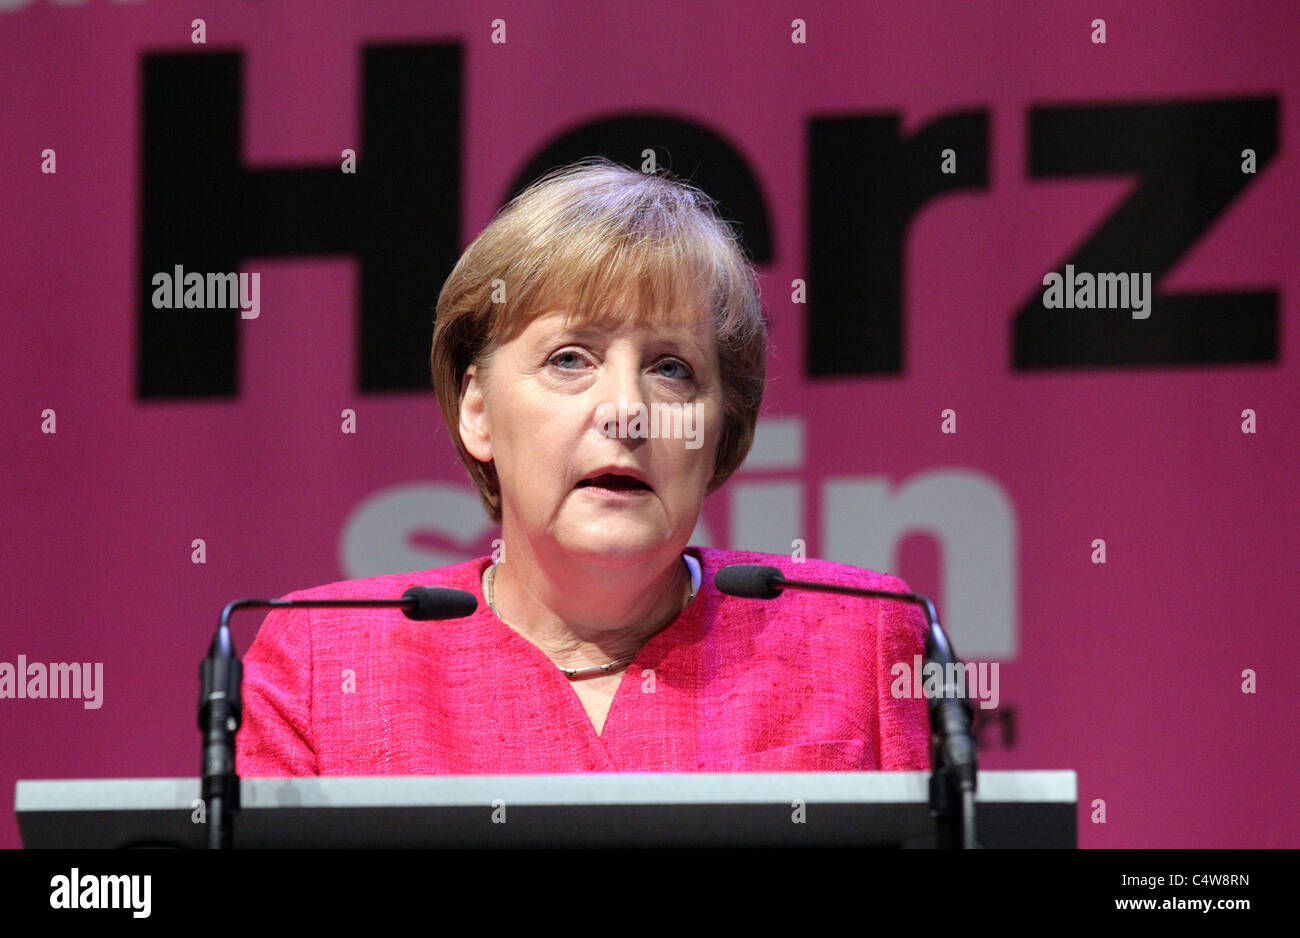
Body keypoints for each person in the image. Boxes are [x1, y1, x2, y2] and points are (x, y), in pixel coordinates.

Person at [236, 157, 930, 776]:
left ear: (719, 431)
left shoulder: (856, 642)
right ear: (477, 409)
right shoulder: (325, 664)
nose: (626, 410)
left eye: (671, 368)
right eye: (571, 359)